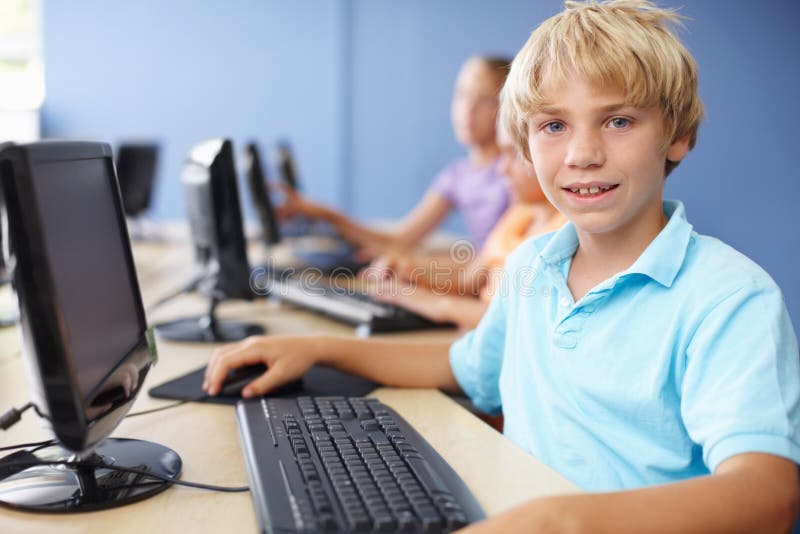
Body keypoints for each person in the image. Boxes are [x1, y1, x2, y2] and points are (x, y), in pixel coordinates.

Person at [204, 1, 800, 531]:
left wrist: (558, 520)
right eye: (553, 126)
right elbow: (467, 366)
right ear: (523, 144)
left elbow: (768, 495)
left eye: (618, 120)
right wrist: (318, 348)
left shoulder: (729, 297)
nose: (583, 153)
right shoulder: (534, 263)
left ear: (679, 135)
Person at [276, 56, 511, 257]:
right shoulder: (457, 176)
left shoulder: (514, 171)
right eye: (462, 95)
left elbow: (495, 261)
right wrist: (326, 215)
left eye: (484, 100)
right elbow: (400, 239)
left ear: (507, 107)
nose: (468, 109)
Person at [366, 121, 566, 330]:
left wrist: (436, 305)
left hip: (497, 342)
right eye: (501, 155)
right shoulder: (520, 214)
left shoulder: (564, 234)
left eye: (514, 155)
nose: (502, 169)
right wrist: (409, 272)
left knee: (349, 344)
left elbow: (515, 321)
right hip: (473, 337)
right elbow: (467, 280)